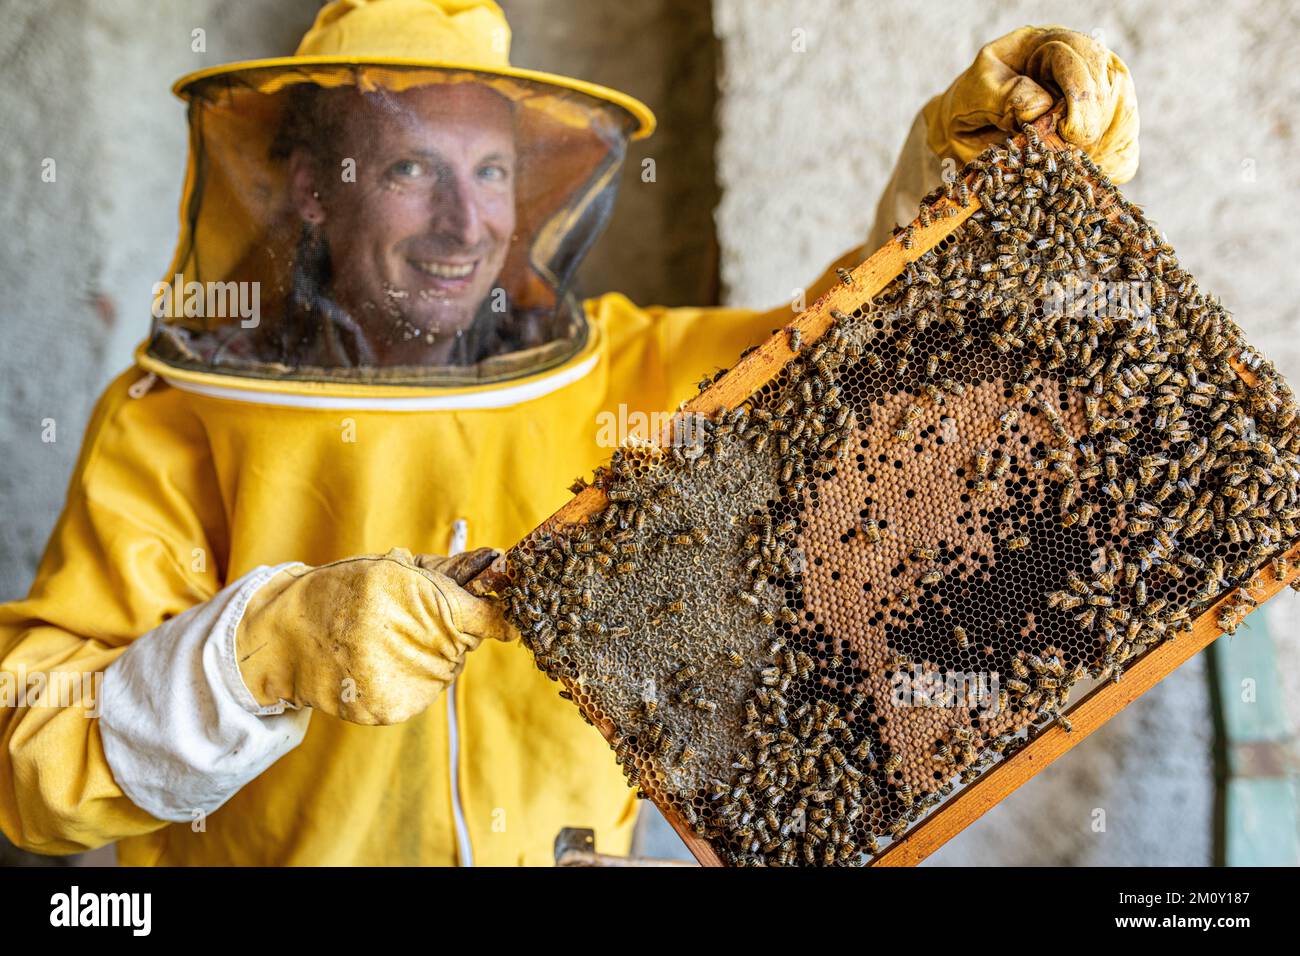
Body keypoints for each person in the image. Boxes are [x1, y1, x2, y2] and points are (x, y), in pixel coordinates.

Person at [0, 0, 1139, 866]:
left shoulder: (630, 372)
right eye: (409, 170)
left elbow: (855, 364)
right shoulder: (181, 420)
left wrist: (967, 180)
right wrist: (263, 653)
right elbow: (30, 757)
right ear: (310, 187)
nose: (465, 223)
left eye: (490, 170)